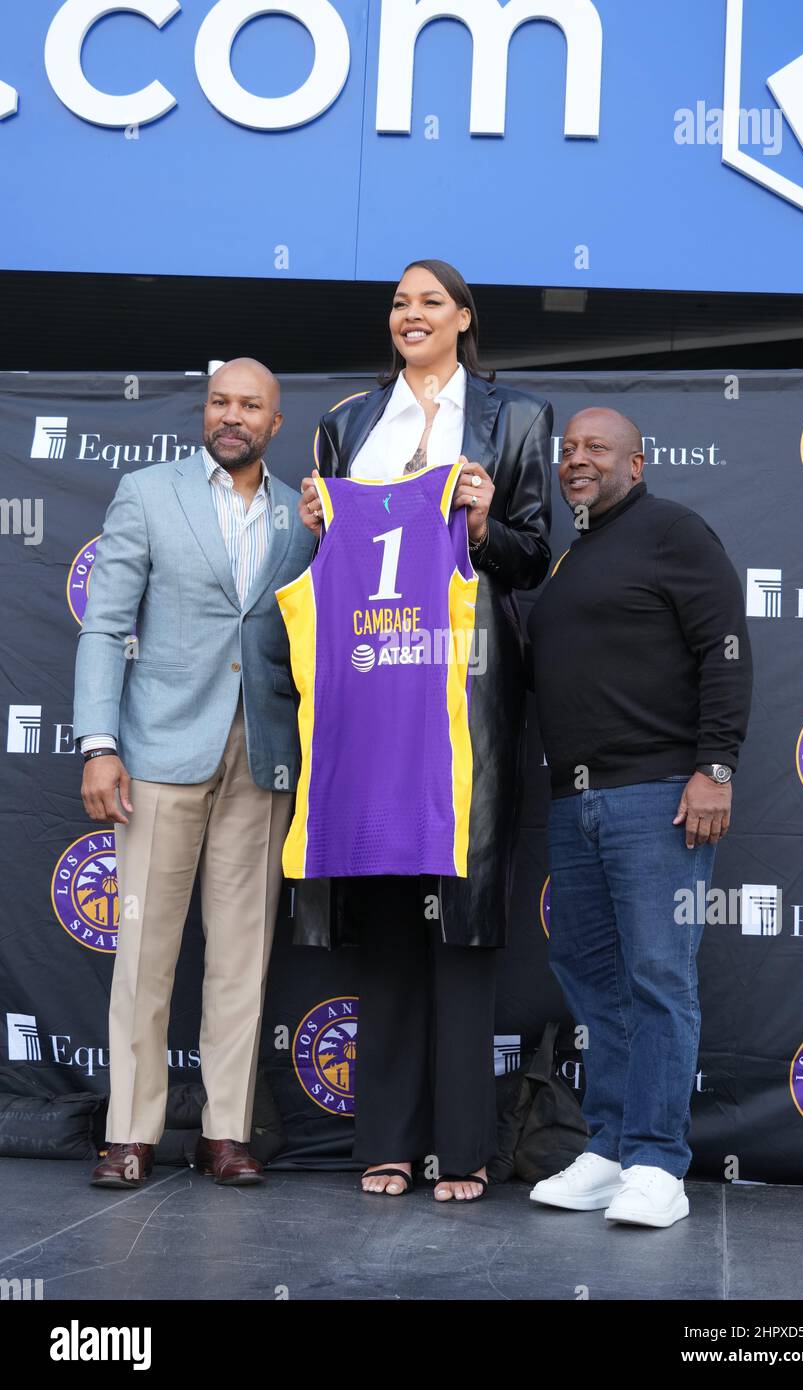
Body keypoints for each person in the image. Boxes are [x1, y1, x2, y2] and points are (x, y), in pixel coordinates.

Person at [295, 259, 552, 1202]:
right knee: (389, 915)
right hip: (366, 693)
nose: (411, 315)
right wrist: (318, 519)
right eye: (400, 303)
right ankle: (388, 1142)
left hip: (463, 696)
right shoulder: (345, 425)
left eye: (429, 303)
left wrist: (484, 524)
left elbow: (535, 556)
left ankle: (465, 1150)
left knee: (464, 917)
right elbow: (326, 559)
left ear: (463, 319)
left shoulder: (515, 417)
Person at [73, 358, 315, 1189]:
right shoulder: (149, 492)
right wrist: (99, 743)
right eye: (220, 401)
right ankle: (130, 1133)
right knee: (143, 948)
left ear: (275, 424)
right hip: (159, 755)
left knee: (241, 953)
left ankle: (224, 1133)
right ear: (203, 411)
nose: (232, 415)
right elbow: (104, 628)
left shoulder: (300, 516)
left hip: (264, 757)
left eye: (251, 404)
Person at [528, 407, 752, 1228]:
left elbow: (725, 646)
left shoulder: (672, 532)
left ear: (639, 461)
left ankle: (660, 1163)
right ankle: (611, 1147)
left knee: (659, 976)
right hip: (572, 801)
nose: (578, 460)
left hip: (659, 795)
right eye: (570, 450)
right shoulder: (574, 555)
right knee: (593, 979)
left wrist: (715, 767)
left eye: (597, 448)